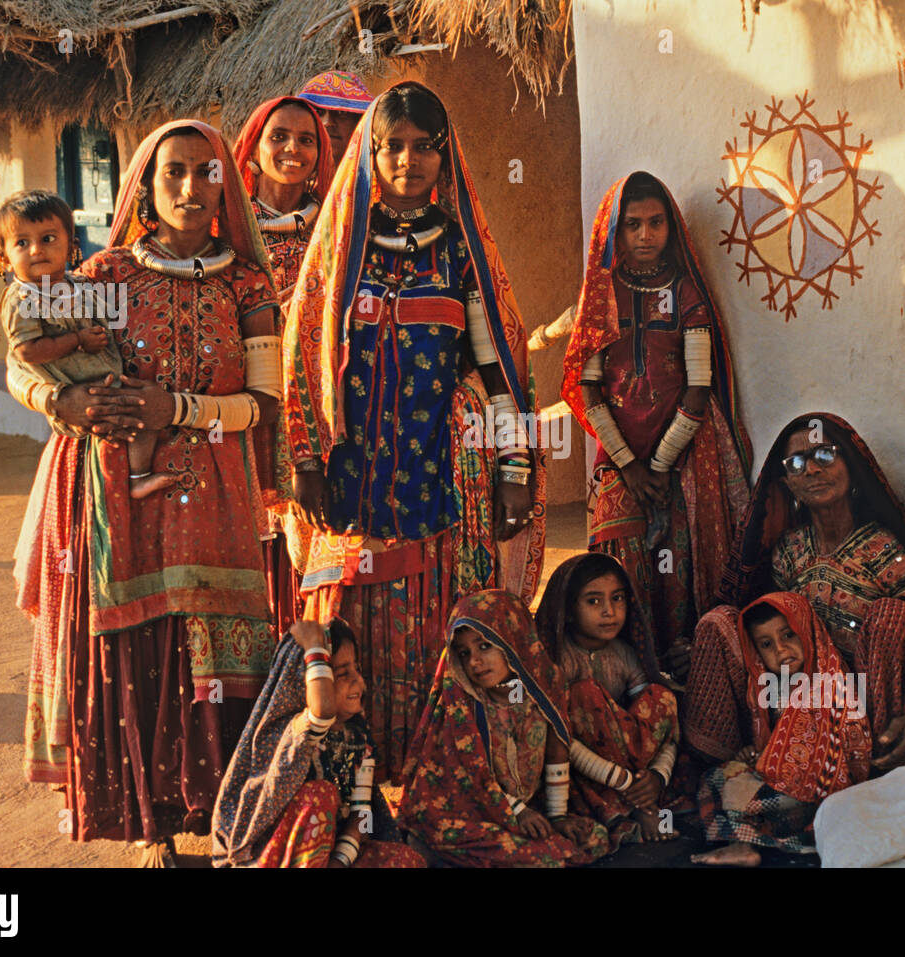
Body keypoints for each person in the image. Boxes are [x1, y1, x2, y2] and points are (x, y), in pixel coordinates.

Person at [7, 119, 282, 865]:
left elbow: (264, 403)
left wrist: (179, 411)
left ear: (227, 184)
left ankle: (224, 816)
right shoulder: (105, 279)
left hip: (219, 488)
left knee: (219, 658)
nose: (191, 188)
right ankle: (151, 829)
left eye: (206, 173)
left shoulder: (247, 284)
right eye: (175, 174)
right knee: (140, 649)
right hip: (118, 496)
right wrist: (58, 406)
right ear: (147, 188)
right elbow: (20, 363)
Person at [280, 81, 544, 779]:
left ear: (444, 155)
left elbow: (499, 370)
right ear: (370, 153)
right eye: (392, 146)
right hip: (351, 479)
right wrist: (306, 457)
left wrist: (515, 468)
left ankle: (432, 781)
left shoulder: (460, 253)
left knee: (432, 628)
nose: (408, 160)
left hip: (438, 479)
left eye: (424, 146)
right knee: (349, 627)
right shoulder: (344, 250)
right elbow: (306, 345)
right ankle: (350, 783)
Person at [686, 412, 905, 778]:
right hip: (801, 701)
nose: (812, 470)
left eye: (824, 455)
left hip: (866, 709)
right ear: (788, 483)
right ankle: (722, 767)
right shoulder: (788, 553)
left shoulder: (886, 554)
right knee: (720, 622)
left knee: (889, 616)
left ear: (850, 467)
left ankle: (868, 761)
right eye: (797, 463)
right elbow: (767, 638)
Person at [562, 171, 753, 683]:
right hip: (620, 455)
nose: (645, 236)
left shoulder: (686, 291)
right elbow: (589, 387)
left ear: (671, 228)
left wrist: (662, 464)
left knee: (680, 564)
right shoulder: (602, 295)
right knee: (618, 560)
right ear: (614, 234)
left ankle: (683, 679)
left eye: (655, 224)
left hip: (685, 450)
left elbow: (698, 385)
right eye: (632, 226)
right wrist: (629, 466)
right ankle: (624, 676)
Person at [399, 590, 610, 867]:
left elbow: (558, 753)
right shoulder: (463, 705)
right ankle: (434, 847)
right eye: (464, 653)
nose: (474, 661)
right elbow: (471, 777)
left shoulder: (542, 689)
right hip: (466, 809)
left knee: (593, 837)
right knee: (549, 857)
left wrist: (557, 816)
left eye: (485, 646)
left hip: (524, 806)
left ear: (514, 638)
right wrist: (518, 812)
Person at [233, 96, 335, 635]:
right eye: (280, 137)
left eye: (307, 139)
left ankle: (318, 655)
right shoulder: (229, 228)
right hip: (254, 399)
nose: (293, 149)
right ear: (254, 148)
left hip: (324, 404)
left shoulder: (339, 223)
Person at [0, 189, 171, 499]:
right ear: (3, 259)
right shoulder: (22, 299)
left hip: (108, 384)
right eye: (22, 243)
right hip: (75, 398)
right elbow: (25, 352)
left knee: (146, 419)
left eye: (48, 239)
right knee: (131, 425)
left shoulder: (80, 284)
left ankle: (135, 477)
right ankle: (133, 480)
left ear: (73, 247)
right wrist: (76, 340)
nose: (36, 249)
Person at [212, 618, 425, 867]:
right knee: (321, 796)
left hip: (328, 854)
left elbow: (361, 812)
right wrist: (314, 645)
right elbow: (323, 710)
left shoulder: (359, 738)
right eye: (343, 673)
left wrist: (339, 861)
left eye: (356, 668)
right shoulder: (297, 733)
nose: (359, 681)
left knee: (406, 860)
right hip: (274, 857)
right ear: (306, 681)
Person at [691, 592, 881, 866]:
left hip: (822, 795)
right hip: (780, 787)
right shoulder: (770, 689)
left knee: (730, 790)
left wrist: (775, 772)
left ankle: (774, 841)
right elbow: (773, 749)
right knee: (715, 778)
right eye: (767, 644)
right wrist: (755, 756)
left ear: (807, 631)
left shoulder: (832, 684)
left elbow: (841, 760)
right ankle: (744, 844)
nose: (780, 651)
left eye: (789, 635)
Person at [534, 552, 679, 847]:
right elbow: (557, 737)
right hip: (580, 765)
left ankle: (646, 795)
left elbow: (656, 722)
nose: (609, 611)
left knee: (663, 697)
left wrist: (656, 776)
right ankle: (637, 805)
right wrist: (624, 782)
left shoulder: (624, 653)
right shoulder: (558, 658)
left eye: (618, 598)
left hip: (631, 758)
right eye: (593, 601)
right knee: (584, 694)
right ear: (569, 610)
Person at [297, 70, 373, 165]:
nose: (327, 122)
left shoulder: (374, 176)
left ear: (360, 121)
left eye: (342, 113)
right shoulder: (292, 174)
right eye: (318, 112)